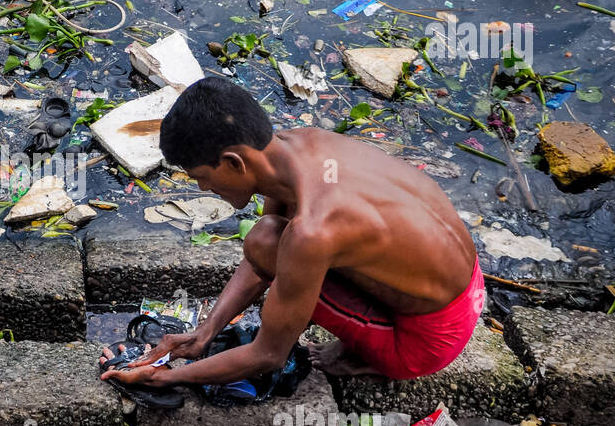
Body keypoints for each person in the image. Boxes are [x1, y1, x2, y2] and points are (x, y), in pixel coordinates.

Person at [100, 77, 486, 391]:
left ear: (234, 162)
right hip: (466, 283)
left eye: (202, 177)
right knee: (267, 236)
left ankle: (367, 355)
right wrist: (205, 331)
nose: (203, 189)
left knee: (283, 246)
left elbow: (269, 355)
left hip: (429, 339)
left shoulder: (315, 229)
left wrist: (165, 377)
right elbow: (264, 255)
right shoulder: (298, 146)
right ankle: (364, 322)